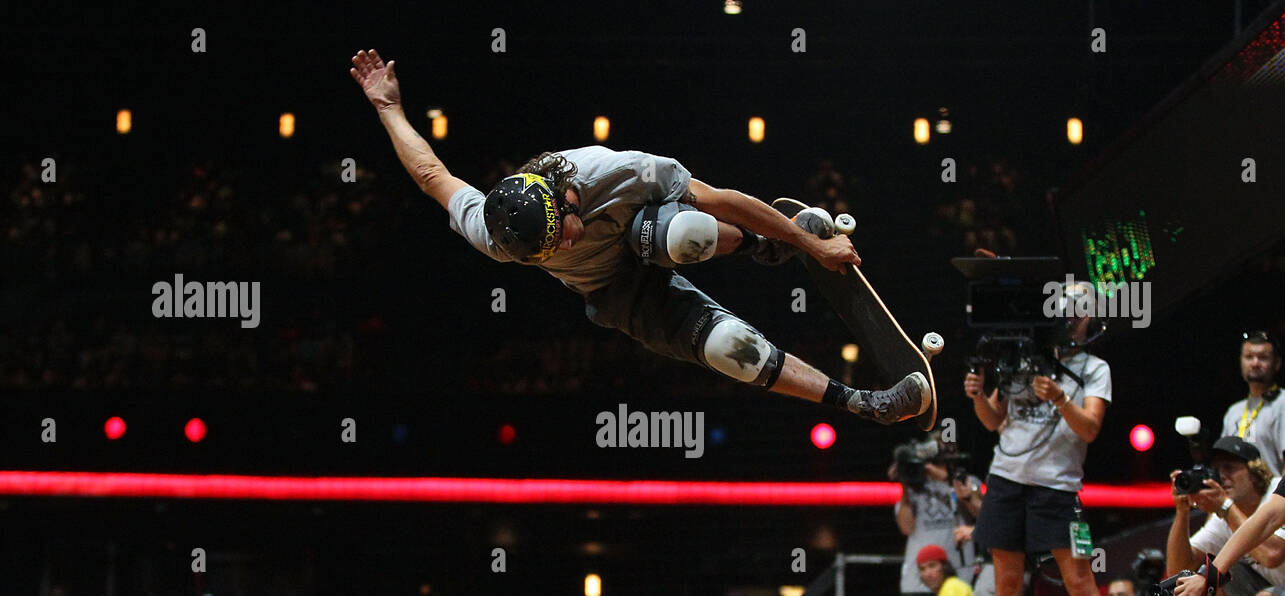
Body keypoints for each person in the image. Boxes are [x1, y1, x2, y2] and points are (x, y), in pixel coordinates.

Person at [350, 50, 929, 424]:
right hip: (614, 294)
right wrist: (388, 108)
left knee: (683, 232)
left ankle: (764, 248)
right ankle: (865, 404)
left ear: (566, 199)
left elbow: (718, 195)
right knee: (731, 352)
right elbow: (432, 176)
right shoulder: (495, 232)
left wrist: (811, 246)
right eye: (546, 255)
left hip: (648, 229)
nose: (562, 250)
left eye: (562, 236)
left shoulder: (613, 172)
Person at [963, 294, 1111, 596]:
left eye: (1081, 312)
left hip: (1058, 488)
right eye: (1066, 312)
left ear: (1092, 318)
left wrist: (1060, 399)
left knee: (1079, 580)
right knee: (1007, 584)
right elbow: (993, 421)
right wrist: (978, 397)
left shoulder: (1095, 369)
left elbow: (1090, 428)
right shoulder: (1020, 357)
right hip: (1006, 481)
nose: (1072, 318)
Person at [1170, 440, 1285, 596]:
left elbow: (1272, 554)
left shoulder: (1274, 488)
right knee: (1209, 585)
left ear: (1256, 471)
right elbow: (1179, 571)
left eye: (1229, 468)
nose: (1222, 476)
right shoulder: (1225, 511)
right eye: (1217, 470)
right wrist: (1182, 512)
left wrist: (1225, 507)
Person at [891, 447, 982, 596]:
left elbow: (982, 515)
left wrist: (947, 479)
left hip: (958, 577)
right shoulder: (913, 487)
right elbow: (906, 528)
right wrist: (905, 484)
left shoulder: (966, 482)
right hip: (918, 581)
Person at [1220, 331, 1285, 477]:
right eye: (1249, 357)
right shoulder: (1234, 411)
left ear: (1277, 364)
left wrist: (1280, 500)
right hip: (1239, 498)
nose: (1255, 363)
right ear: (1241, 361)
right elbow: (1224, 462)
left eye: (1263, 358)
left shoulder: (1284, 403)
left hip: (1273, 496)